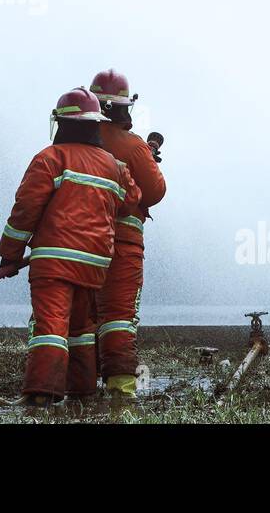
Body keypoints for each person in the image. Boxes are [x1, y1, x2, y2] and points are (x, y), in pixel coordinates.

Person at [0, 87, 140, 408]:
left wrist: (10, 252)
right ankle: (82, 390)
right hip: (94, 266)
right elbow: (131, 202)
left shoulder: (50, 158)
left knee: (50, 326)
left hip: (54, 262)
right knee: (81, 329)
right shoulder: (114, 166)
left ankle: (40, 394)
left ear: (61, 123)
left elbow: (25, 211)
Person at [91, 68, 166, 406]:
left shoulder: (73, 145)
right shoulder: (133, 147)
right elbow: (154, 192)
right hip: (122, 244)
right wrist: (148, 160)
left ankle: (77, 382)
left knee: (84, 315)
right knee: (119, 314)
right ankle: (120, 389)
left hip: (79, 245)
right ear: (124, 107)